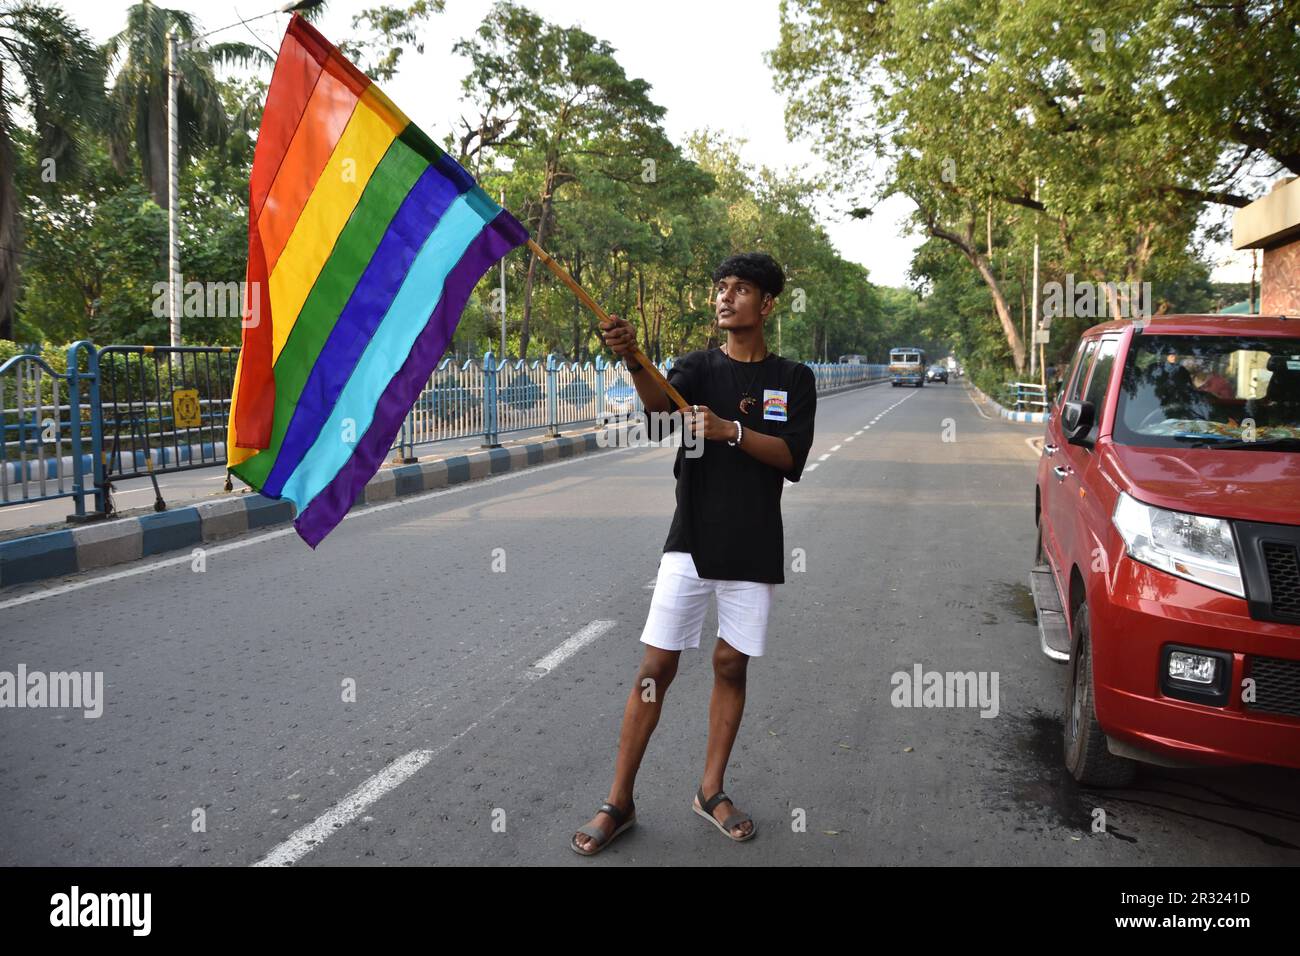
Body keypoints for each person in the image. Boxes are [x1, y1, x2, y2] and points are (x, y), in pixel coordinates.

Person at [569, 252, 817, 855]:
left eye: (740, 289)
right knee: (656, 669)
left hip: (754, 541)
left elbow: (791, 457)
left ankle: (711, 790)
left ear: (768, 304)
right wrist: (634, 360)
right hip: (691, 540)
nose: (725, 298)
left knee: (731, 665)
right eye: (720, 288)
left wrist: (731, 430)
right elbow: (659, 417)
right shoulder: (696, 368)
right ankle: (619, 802)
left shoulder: (793, 378)